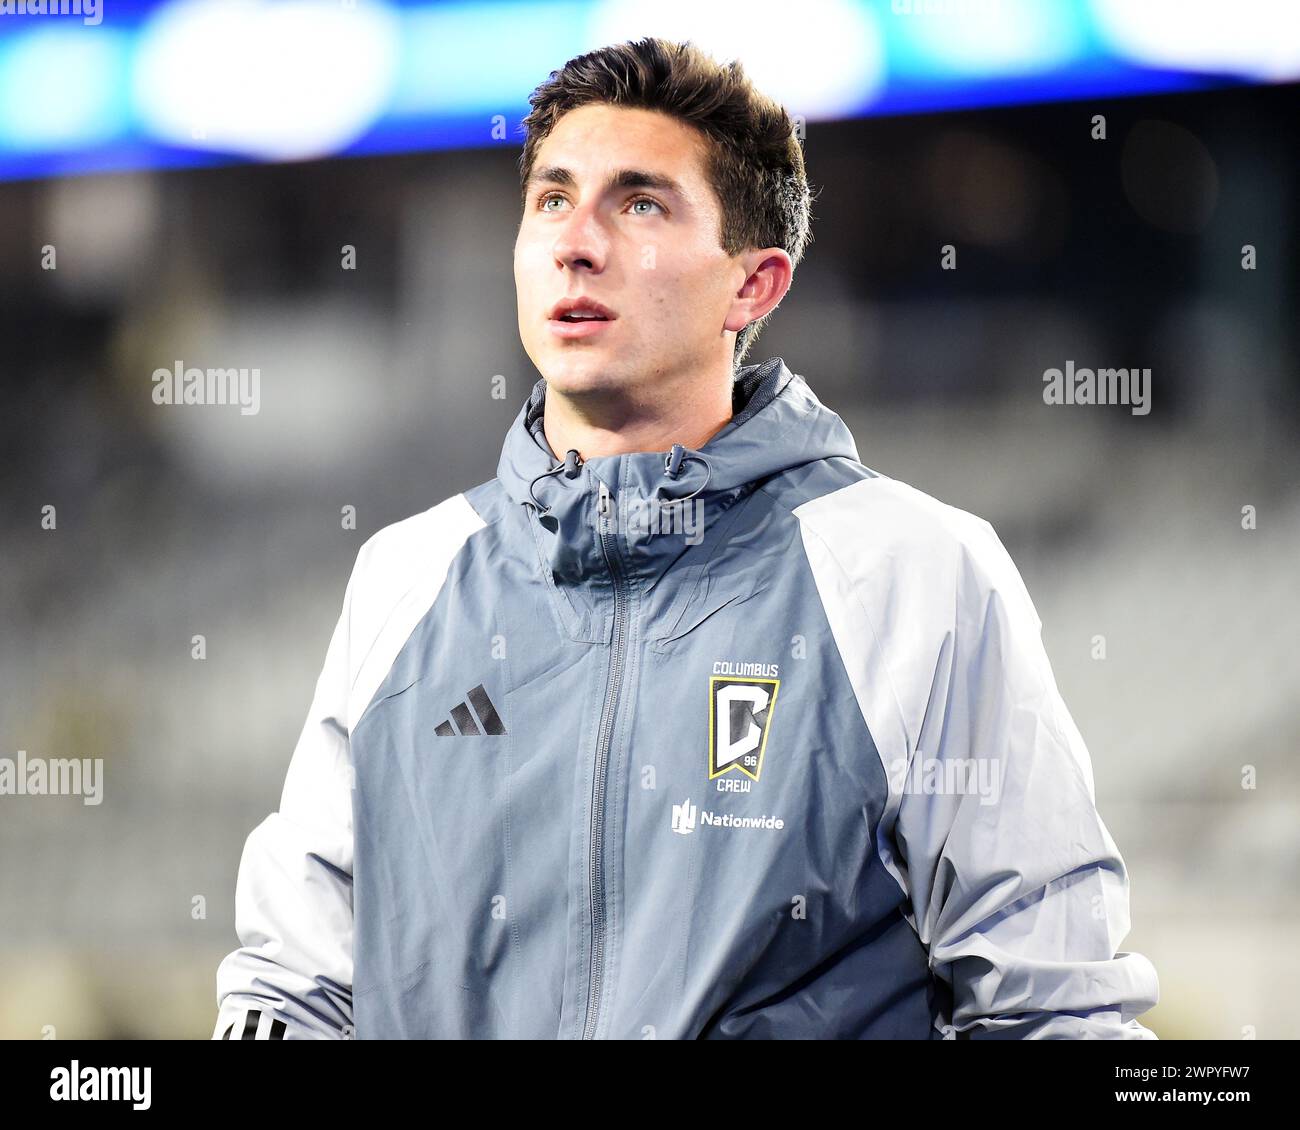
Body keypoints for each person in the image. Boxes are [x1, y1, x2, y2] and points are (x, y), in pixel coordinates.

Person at [212, 36, 1159, 1040]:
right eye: (551, 199)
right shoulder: (404, 574)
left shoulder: (913, 576)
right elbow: (293, 987)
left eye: (640, 203)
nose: (577, 241)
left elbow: (1052, 1007)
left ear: (752, 286)